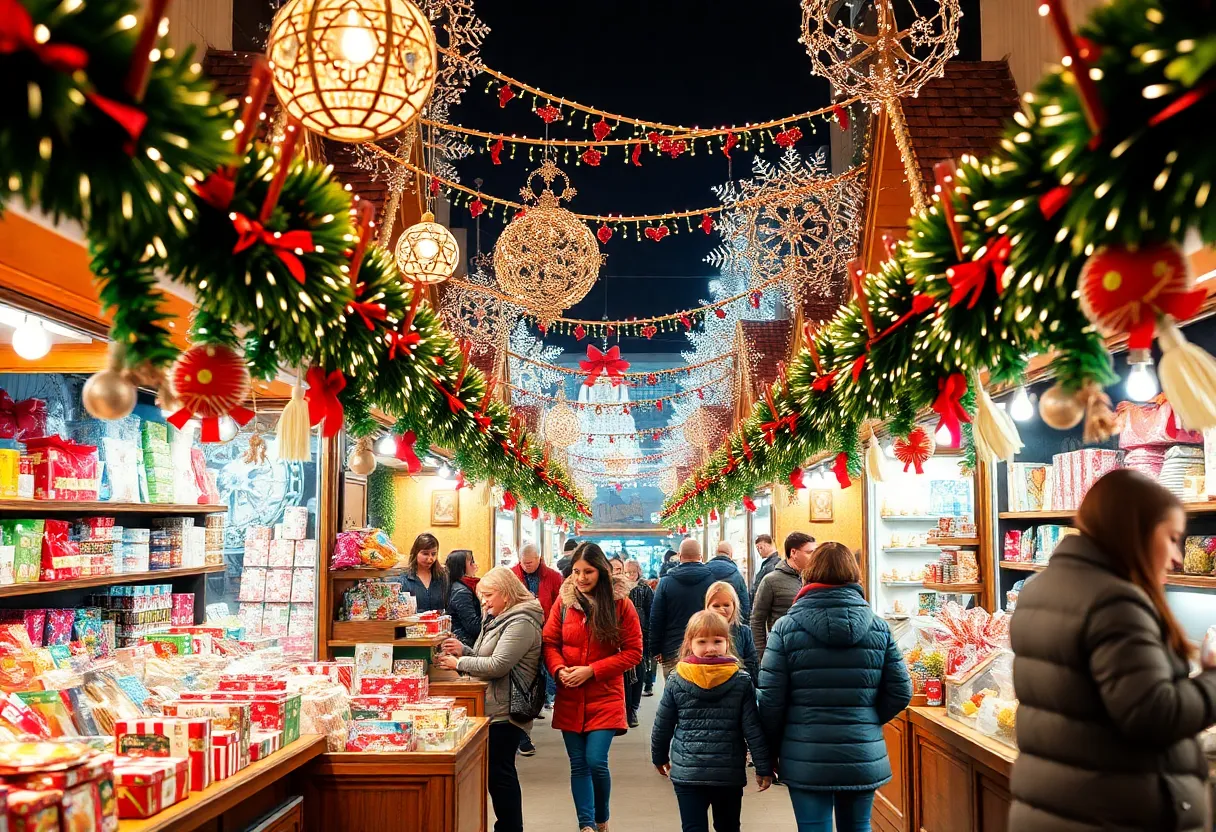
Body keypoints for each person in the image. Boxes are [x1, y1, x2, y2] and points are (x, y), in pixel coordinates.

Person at [1009, 469, 1216, 831]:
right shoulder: (1114, 600)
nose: (1177, 556)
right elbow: (1153, 713)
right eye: (1170, 538)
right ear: (1134, 531)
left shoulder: (1039, 587)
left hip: (1060, 808)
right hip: (1112, 814)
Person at [757, 542, 911, 831]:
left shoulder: (786, 628)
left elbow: (770, 701)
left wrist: (772, 750)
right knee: (858, 826)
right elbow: (902, 691)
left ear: (808, 575)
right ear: (854, 575)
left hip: (805, 753)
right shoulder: (878, 627)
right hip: (861, 752)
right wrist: (867, 718)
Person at [434, 567, 543, 832]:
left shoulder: (521, 622)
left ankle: (509, 827)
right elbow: (486, 657)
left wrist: (460, 661)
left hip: (506, 711)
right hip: (494, 706)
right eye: (481, 596)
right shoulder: (499, 618)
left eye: (488, 595)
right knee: (497, 774)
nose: (483, 601)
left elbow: (498, 665)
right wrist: (465, 651)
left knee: (500, 774)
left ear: (506, 594)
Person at [544, 542, 643, 832]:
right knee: (578, 764)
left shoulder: (620, 603)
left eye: (588, 571)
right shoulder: (563, 603)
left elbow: (634, 652)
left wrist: (592, 670)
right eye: (576, 571)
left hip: (606, 694)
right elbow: (549, 642)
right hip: (570, 694)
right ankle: (586, 824)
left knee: (596, 760)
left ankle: (602, 818)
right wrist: (559, 669)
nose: (581, 578)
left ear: (600, 571)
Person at [652, 610, 772, 832]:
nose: (710, 648)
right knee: (728, 826)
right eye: (702, 641)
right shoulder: (740, 680)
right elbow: (753, 729)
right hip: (728, 774)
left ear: (728, 643)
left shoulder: (677, 678)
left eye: (717, 641)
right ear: (690, 643)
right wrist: (763, 767)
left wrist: (659, 757)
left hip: (688, 773)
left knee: (693, 827)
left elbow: (663, 724)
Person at [512, 542, 564, 735]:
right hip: (520, 630)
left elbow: (560, 603)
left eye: (530, 563)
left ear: (539, 559)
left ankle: (546, 699)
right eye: (524, 563)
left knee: (547, 666)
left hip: (546, 629)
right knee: (528, 669)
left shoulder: (553, 576)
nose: (527, 566)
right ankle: (534, 702)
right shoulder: (511, 574)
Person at [649, 538, 716, 679]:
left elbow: (656, 618)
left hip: (672, 650)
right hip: (705, 649)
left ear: (679, 556)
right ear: (701, 557)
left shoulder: (665, 583)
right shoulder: (713, 581)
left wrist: (656, 649)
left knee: (674, 696)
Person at [750, 531, 815, 665]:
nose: (814, 557)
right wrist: (762, 656)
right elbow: (757, 620)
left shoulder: (815, 579)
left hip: (810, 655)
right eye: (809, 552)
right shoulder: (771, 581)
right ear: (793, 552)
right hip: (781, 653)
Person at [623, 558, 654, 728]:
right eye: (627, 572)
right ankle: (626, 709)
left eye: (632, 572)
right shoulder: (618, 590)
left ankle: (633, 708)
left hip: (641, 634)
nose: (630, 575)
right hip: (622, 636)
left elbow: (652, 612)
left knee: (639, 668)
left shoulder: (645, 589)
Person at [705, 581, 758, 681]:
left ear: (734, 606)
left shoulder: (744, 632)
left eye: (726, 605)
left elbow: (752, 665)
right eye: (716, 606)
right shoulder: (701, 633)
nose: (721, 609)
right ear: (707, 607)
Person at [445, 551, 482, 651]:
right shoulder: (461, 591)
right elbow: (473, 626)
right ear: (461, 568)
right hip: (465, 644)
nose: (475, 565)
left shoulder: (466, 586)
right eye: (471, 563)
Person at [400, 533, 447, 613]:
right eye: (425, 554)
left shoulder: (443, 576)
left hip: (439, 624)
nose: (430, 559)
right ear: (416, 553)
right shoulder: (404, 579)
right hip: (414, 624)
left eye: (433, 554)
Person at [707, 541, 751, 621]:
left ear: (716, 553)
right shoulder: (737, 575)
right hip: (731, 624)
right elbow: (745, 604)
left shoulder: (704, 571)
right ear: (730, 554)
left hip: (708, 624)